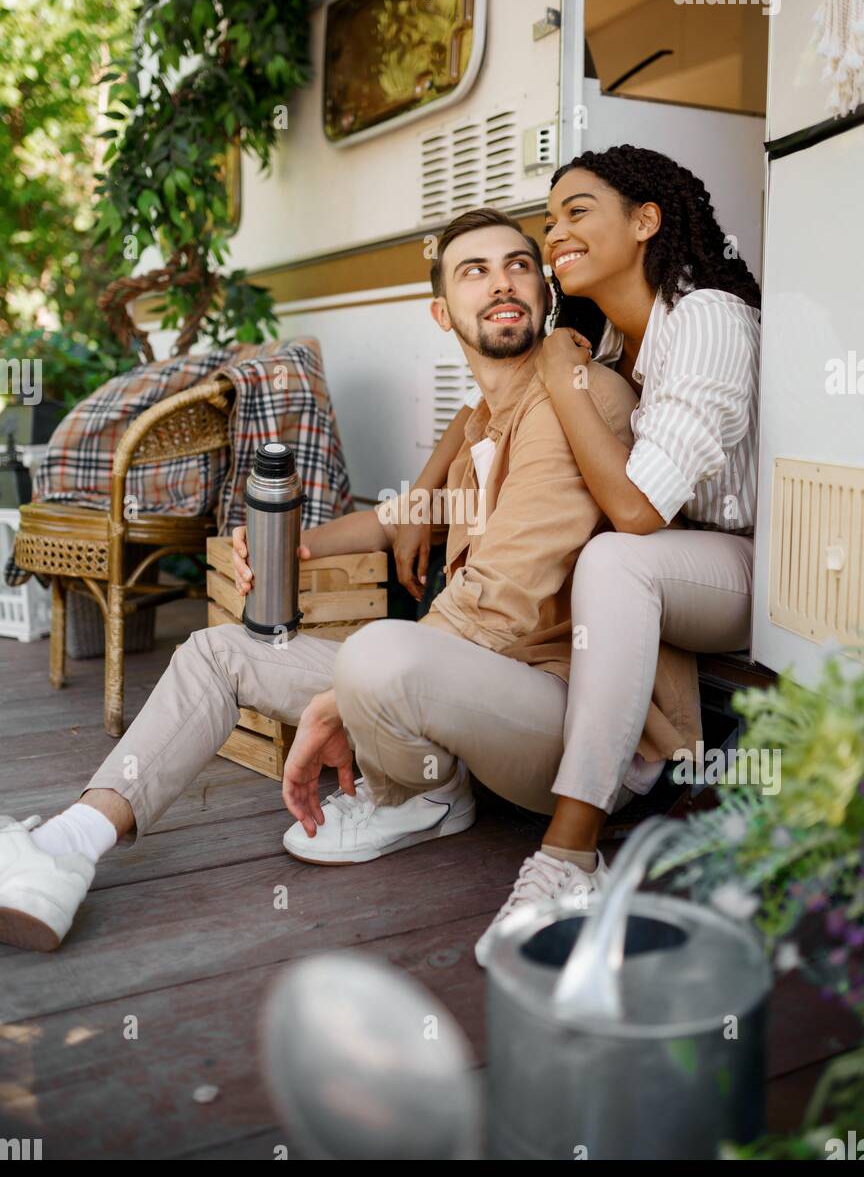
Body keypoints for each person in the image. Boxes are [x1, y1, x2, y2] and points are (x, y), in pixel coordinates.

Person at [0, 206, 698, 958]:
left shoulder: (572, 397)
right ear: (443, 312)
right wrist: (294, 544)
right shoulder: (480, 421)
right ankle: (71, 845)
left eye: (519, 265)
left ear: (544, 288)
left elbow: (502, 597)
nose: (502, 283)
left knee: (378, 658)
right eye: (476, 270)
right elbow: (406, 515)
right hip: (468, 688)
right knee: (215, 652)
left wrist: (345, 699)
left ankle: (422, 797)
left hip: (569, 723)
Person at [393, 146, 760, 961]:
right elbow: (478, 413)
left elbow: (633, 510)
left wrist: (563, 374)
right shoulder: (620, 344)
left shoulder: (705, 318)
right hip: (676, 566)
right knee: (619, 564)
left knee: (614, 559)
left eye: (576, 211)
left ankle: (568, 852)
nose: (555, 233)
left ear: (645, 221)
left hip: (751, 574)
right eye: (549, 219)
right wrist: (421, 496)